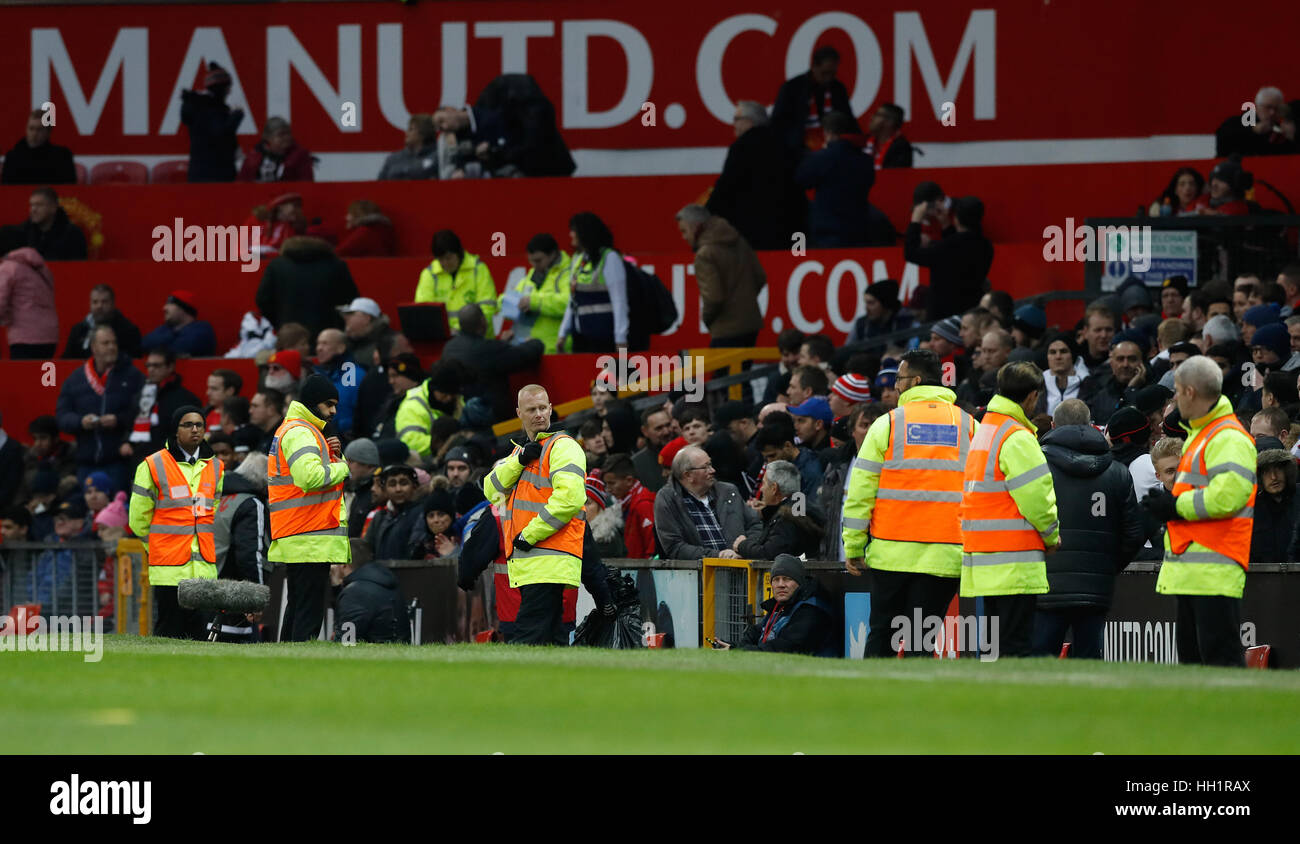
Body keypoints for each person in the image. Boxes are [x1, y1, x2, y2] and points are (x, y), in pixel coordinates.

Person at [841, 349, 975, 656]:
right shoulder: (968, 426)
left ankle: (875, 703)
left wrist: (853, 546)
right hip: (944, 555)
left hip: (892, 554)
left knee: (882, 636)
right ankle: (916, 701)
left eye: (899, 378)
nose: (895, 385)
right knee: (921, 643)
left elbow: (860, 492)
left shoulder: (887, 425)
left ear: (914, 380)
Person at [1142, 356, 1255, 667]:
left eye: (1177, 391)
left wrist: (1174, 506)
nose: (1175, 399)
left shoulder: (1227, 437)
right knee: (1197, 666)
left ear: (1190, 392)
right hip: (1196, 570)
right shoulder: (1203, 435)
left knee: (1220, 662)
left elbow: (1229, 496)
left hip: (1213, 570)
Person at [959, 361, 1061, 657]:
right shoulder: (1016, 437)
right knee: (1015, 649)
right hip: (1015, 562)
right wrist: (1051, 536)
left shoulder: (985, 430)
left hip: (986, 561)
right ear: (1032, 397)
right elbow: (1038, 499)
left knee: (996, 653)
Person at [1034, 399, 1145, 658]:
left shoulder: (1036, 469)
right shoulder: (1118, 472)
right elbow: (1133, 535)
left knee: (1039, 666)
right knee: (1090, 664)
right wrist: (1104, 566)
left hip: (1045, 586)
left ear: (1052, 425)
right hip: (1096, 587)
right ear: (1091, 425)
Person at [482, 385, 588, 645]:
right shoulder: (520, 452)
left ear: (551, 409)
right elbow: (490, 489)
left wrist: (529, 535)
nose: (539, 414)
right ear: (519, 413)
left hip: (547, 558)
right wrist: (518, 461)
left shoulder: (563, 446)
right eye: (532, 409)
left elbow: (569, 499)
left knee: (528, 640)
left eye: (543, 408)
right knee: (550, 640)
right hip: (539, 561)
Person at [127, 406, 224, 639]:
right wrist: (156, 547)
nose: (195, 430)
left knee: (201, 635)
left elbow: (212, 512)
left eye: (199, 425)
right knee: (169, 631)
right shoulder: (152, 465)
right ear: (175, 430)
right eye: (187, 425)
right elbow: (137, 519)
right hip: (169, 567)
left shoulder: (217, 467)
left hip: (203, 568)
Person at [268, 375, 351, 642]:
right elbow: (310, 478)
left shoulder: (301, 431)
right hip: (309, 535)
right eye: (328, 404)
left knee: (298, 607)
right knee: (308, 611)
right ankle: (300, 662)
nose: (333, 411)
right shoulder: (301, 431)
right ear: (313, 403)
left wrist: (333, 455)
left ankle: (287, 660)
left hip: (302, 533)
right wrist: (344, 467)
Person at [706, 100, 805, 251]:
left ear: (750, 121)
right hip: (785, 228)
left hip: (751, 231)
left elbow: (726, 188)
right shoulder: (784, 144)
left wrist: (706, 214)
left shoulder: (741, 147)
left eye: (736, 119)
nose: (734, 124)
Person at [55, 324, 145, 488]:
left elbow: (142, 413)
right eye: (106, 343)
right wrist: (80, 422)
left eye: (114, 343)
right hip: (86, 462)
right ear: (93, 347)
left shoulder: (133, 376)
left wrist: (118, 419)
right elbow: (62, 416)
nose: (112, 347)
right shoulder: (75, 380)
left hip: (119, 462)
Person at [675, 205, 767, 348]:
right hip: (751, 324)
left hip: (726, 329)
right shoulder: (739, 241)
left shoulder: (704, 254)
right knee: (746, 370)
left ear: (696, 227)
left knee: (722, 370)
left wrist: (707, 319)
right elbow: (760, 276)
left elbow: (713, 298)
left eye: (684, 231)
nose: (684, 237)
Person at [713, 554, 837, 655]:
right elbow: (756, 633)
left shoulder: (811, 611)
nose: (781, 584)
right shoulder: (781, 606)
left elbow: (783, 648)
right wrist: (734, 647)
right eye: (776, 580)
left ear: (799, 582)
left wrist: (739, 651)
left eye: (787, 579)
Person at [654, 444, 760, 561]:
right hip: (698, 575)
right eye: (705, 467)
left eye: (710, 464)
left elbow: (755, 524)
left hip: (741, 570)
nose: (713, 470)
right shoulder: (667, 499)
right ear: (688, 475)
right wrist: (717, 556)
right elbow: (674, 547)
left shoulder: (728, 491)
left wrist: (746, 547)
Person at [441, 304, 544, 422]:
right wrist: (535, 342)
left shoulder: (449, 347)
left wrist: (501, 344)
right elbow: (524, 356)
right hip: (491, 420)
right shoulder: (489, 349)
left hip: (461, 415)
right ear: (483, 321)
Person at [903, 196, 992, 320]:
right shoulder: (985, 246)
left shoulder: (947, 247)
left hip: (943, 319)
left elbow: (911, 254)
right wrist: (946, 225)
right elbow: (959, 250)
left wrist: (915, 221)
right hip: (970, 314)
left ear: (956, 218)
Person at [794, 112, 874, 248]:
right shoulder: (865, 160)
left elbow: (801, 180)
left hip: (827, 233)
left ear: (829, 132)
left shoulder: (822, 158)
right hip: (858, 232)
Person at [255, 237, 359, 338]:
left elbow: (263, 299)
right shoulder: (336, 265)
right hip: (327, 332)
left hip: (289, 332)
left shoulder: (277, 265)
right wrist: (338, 325)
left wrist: (279, 322)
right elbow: (350, 300)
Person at [557, 212, 630, 354]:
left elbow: (619, 302)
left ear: (585, 232)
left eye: (573, 230)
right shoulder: (578, 260)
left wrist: (620, 340)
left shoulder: (610, 258)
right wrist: (562, 334)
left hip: (605, 340)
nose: (570, 234)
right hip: (581, 338)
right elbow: (572, 303)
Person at [770, 45, 858, 157]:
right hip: (797, 152)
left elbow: (848, 119)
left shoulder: (837, 88)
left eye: (833, 74)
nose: (829, 78)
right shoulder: (792, 88)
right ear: (814, 67)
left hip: (832, 149)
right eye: (825, 73)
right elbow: (778, 123)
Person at [730, 459, 824, 560]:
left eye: (764, 483)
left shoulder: (789, 516)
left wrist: (742, 545)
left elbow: (769, 554)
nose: (761, 489)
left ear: (774, 488)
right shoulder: (800, 505)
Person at [413, 229, 497, 334]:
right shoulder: (429, 274)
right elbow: (424, 311)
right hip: (443, 339)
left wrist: (460, 330)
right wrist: (446, 332)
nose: (444, 263)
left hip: (477, 338)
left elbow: (487, 307)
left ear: (459, 253)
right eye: (440, 259)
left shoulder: (478, 269)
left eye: (448, 258)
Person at [499, 233, 572, 353]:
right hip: (526, 345)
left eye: (538, 260)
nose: (534, 265)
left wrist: (534, 302)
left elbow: (568, 303)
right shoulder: (532, 274)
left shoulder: (567, 273)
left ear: (553, 254)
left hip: (553, 348)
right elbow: (509, 298)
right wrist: (508, 303)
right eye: (531, 261)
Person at [128, 347, 202, 457]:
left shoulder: (185, 399)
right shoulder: (141, 395)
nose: (151, 369)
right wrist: (126, 442)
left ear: (170, 367)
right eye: (148, 365)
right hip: (138, 457)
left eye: (156, 366)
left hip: (169, 459)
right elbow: (130, 422)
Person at [180, 62, 244, 183]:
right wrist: (236, 116)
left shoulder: (196, 106)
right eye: (228, 87)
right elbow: (220, 135)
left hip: (198, 174)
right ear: (222, 88)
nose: (230, 91)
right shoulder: (213, 110)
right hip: (218, 175)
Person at [333, 558, 410, 643]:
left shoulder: (355, 592)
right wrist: (336, 587)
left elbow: (345, 643)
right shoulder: (385, 583)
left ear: (343, 565)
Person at [0, 246, 58, 359]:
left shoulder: (7, 268)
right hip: (50, 336)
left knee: (23, 375)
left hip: (24, 337)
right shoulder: (42, 268)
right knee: (39, 375)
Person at [61, 284, 143, 360]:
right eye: (95, 302)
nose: (99, 306)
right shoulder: (78, 331)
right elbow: (67, 360)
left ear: (113, 304)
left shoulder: (129, 331)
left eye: (104, 302)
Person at [1215, 86, 1296, 158]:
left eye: (1276, 108)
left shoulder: (1283, 127)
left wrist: (1289, 134)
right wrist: (1253, 130)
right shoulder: (1238, 122)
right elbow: (1223, 137)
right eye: (1268, 107)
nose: (1272, 112)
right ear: (1257, 106)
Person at [8, 187, 86, 261]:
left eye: (39, 205)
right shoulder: (23, 232)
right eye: (32, 205)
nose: (33, 209)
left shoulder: (73, 234)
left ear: (53, 208)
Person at [601, 454, 656, 559]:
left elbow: (652, 548)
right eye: (606, 484)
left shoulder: (643, 505)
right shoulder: (625, 504)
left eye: (612, 483)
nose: (608, 489)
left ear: (629, 480)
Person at [365, 465, 425, 561]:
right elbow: (367, 550)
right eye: (392, 484)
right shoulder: (380, 517)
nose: (398, 489)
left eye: (404, 483)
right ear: (384, 490)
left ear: (414, 487)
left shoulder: (422, 514)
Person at [313, 328, 365, 436]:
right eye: (318, 344)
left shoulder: (353, 374)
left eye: (325, 344)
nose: (319, 348)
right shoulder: (318, 374)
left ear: (341, 348)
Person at [2, 110, 76, 185]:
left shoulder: (61, 157)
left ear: (48, 132)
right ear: (26, 129)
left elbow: (68, 188)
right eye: (31, 128)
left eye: (39, 129)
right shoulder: (13, 157)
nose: (34, 133)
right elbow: (6, 189)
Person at [1253, 448, 1298, 565]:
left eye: (1278, 469)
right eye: (1266, 471)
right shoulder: (1252, 507)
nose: (1273, 477)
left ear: (1287, 471)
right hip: (1261, 578)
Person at [141, 290, 217, 357]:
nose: (164, 308)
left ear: (183, 309)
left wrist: (162, 344)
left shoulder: (202, 329)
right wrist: (175, 335)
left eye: (170, 304)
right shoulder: (164, 329)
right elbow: (144, 344)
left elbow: (180, 348)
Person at [238, 116, 315, 182]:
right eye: (281, 134)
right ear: (268, 137)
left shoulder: (299, 155)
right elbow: (242, 183)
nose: (286, 137)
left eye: (288, 133)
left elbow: (306, 183)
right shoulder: (253, 157)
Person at [847, 280, 913, 344]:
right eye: (866, 303)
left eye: (871, 303)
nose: (866, 308)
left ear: (885, 304)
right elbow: (846, 352)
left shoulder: (907, 323)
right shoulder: (861, 325)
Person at [377, 113, 439, 181]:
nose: (407, 133)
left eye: (411, 129)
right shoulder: (393, 159)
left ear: (423, 133)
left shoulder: (437, 156)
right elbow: (379, 184)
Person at [339, 297, 395, 370]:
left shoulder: (388, 344)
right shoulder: (349, 342)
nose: (346, 318)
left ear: (367, 318)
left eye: (351, 313)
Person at [863, 102, 913, 169]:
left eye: (877, 114)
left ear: (890, 122)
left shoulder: (901, 147)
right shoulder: (862, 142)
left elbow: (896, 176)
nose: (872, 117)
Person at [249, 388, 286, 454]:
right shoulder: (262, 434)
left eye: (255, 406)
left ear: (271, 410)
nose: (250, 411)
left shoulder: (283, 435)